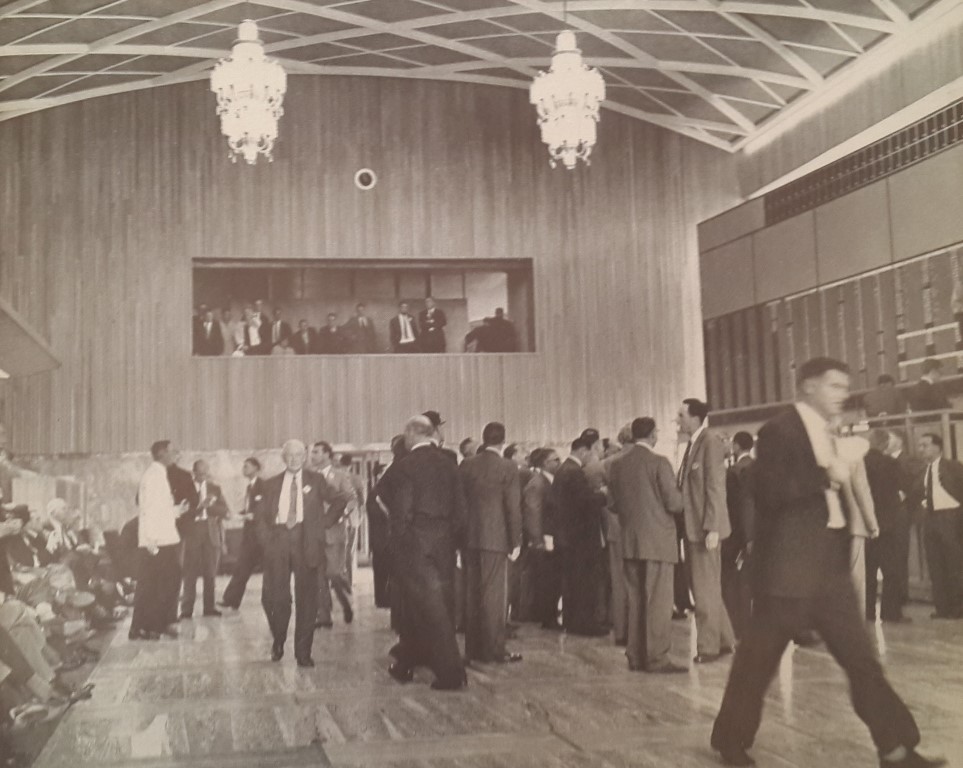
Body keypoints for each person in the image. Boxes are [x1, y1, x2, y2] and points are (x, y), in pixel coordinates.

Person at [711, 357, 944, 768]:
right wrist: (827, 473)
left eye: (844, 387)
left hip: (828, 572)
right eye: (834, 386)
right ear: (808, 387)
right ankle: (731, 741)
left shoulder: (829, 431)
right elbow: (768, 491)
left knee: (861, 661)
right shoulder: (778, 431)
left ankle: (895, 749)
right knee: (756, 665)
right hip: (787, 573)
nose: (842, 394)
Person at [382, 416, 467, 690]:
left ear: (411, 434)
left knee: (430, 611)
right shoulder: (450, 464)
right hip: (444, 544)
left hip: (415, 545)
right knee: (432, 607)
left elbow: (401, 513)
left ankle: (451, 673)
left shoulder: (404, 467)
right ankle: (406, 663)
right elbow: (461, 511)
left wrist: (399, 545)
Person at [253, 439, 350, 666]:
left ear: (304, 457)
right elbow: (259, 517)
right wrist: (267, 540)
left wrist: (322, 524)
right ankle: (278, 639)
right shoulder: (269, 484)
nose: (294, 459)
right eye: (290, 455)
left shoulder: (316, 481)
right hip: (277, 542)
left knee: (307, 600)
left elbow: (340, 500)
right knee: (274, 598)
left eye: (299, 455)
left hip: (307, 543)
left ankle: (303, 652)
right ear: (283, 458)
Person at [608, 417, 686, 673]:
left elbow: (613, 505)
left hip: (630, 540)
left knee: (636, 598)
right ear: (652, 435)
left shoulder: (617, 466)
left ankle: (636, 656)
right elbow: (674, 503)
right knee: (658, 601)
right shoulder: (659, 463)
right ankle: (656, 658)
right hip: (659, 541)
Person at [676, 398, 735, 664]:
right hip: (694, 528)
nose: (678, 420)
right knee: (708, 587)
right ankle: (724, 640)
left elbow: (715, 486)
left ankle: (708, 647)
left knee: (703, 591)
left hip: (703, 529)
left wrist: (712, 527)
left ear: (696, 418)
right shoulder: (693, 444)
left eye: (681, 415)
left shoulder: (709, 442)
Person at [458, 422, 522, 663]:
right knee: (494, 596)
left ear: (484, 439)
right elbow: (512, 507)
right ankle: (495, 650)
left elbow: (460, 502)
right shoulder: (508, 466)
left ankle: (473, 649)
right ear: (503, 441)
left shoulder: (466, 464)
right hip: (496, 538)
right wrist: (515, 540)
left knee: (472, 594)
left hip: (469, 538)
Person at [552, 436, 608, 636]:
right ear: (585, 451)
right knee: (583, 582)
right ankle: (584, 625)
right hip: (580, 538)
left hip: (568, 536)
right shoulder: (574, 473)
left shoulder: (563, 470)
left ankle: (572, 620)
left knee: (572, 582)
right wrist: (602, 494)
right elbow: (584, 502)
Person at [130, 440, 184, 641]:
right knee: (158, 585)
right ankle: (150, 627)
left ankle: (151, 626)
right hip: (158, 541)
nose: (176, 454)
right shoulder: (154, 476)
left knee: (159, 584)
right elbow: (148, 510)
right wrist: (151, 541)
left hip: (162, 538)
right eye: (173, 451)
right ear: (162, 453)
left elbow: (160, 509)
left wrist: (178, 510)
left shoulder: (159, 474)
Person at [863, 430, 910, 623]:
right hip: (887, 524)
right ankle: (890, 613)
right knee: (891, 570)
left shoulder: (859, 463)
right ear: (884, 444)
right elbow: (900, 489)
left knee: (867, 572)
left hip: (865, 525)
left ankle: (867, 612)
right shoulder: (890, 464)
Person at [916, 432, 963, 620]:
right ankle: (942, 608)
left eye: (925, 445)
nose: (921, 449)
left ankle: (958, 608)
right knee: (935, 564)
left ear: (937, 447)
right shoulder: (922, 471)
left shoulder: (953, 466)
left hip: (951, 518)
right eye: (920, 445)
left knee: (955, 564)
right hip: (930, 519)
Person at [310, 442, 355, 628]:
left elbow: (351, 499)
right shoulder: (309, 477)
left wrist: (341, 515)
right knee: (318, 576)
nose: (312, 455)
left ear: (328, 454)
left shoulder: (340, 475)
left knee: (334, 573)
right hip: (314, 533)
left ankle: (346, 602)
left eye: (316, 452)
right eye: (312, 452)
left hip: (335, 532)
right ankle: (324, 617)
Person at [180, 460, 228, 619]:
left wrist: (209, 507)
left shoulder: (215, 488)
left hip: (211, 533)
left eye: (206, 473)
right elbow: (182, 514)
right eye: (200, 473)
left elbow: (224, 510)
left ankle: (209, 607)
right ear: (194, 473)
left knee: (210, 573)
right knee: (190, 573)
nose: (203, 476)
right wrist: (199, 507)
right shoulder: (185, 489)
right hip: (192, 533)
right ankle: (186, 609)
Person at [523, 448, 562, 630]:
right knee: (547, 580)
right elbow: (532, 512)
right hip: (544, 539)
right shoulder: (538, 483)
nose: (559, 463)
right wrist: (537, 539)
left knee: (551, 579)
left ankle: (549, 615)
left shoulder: (548, 482)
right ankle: (548, 617)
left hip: (550, 537)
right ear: (545, 463)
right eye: (555, 460)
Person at [722, 431, 755, 640]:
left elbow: (739, 506)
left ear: (736, 446)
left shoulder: (734, 472)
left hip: (737, 534)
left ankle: (739, 627)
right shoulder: (759, 467)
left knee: (735, 582)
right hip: (758, 533)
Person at [220, 458, 265, 610]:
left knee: (272, 571)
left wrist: (253, 515)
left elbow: (265, 508)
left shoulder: (263, 486)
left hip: (262, 536)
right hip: (249, 535)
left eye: (247, 466)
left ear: (256, 468)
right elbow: (249, 509)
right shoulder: (249, 488)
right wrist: (236, 514)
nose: (243, 468)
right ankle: (231, 599)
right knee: (241, 567)